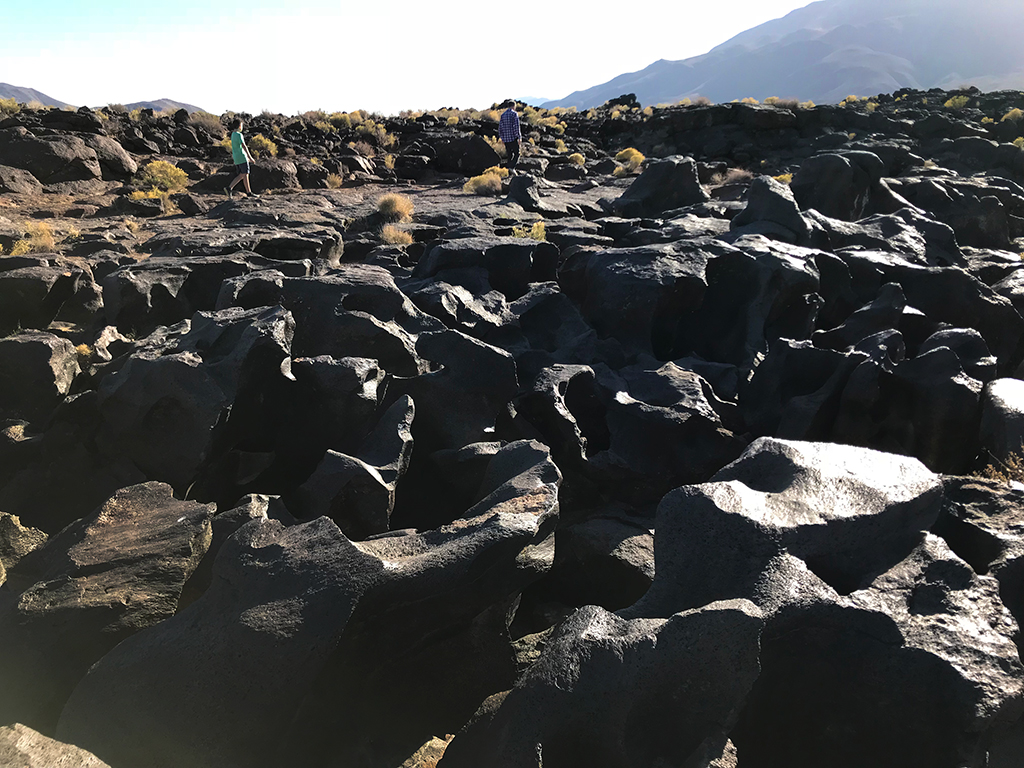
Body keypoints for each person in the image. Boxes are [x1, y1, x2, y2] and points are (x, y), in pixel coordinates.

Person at [226, 118, 258, 198]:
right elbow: (244, 146)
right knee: (243, 174)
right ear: (240, 126)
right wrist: (250, 157)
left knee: (245, 174)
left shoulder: (233, 135)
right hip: (242, 157)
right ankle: (229, 188)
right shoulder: (239, 135)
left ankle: (248, 192)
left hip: (236, 158)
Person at [497, 100, 522, 172]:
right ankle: (511, 168)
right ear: (514, 106)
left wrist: (502, 138)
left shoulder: (503, 115)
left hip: (506, 139)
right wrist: (519, 137)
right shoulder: (514, 114)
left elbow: (500, 128)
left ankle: (508, 170)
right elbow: (516, 127)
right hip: (513, 138)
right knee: (517, 154)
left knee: (509, 155)